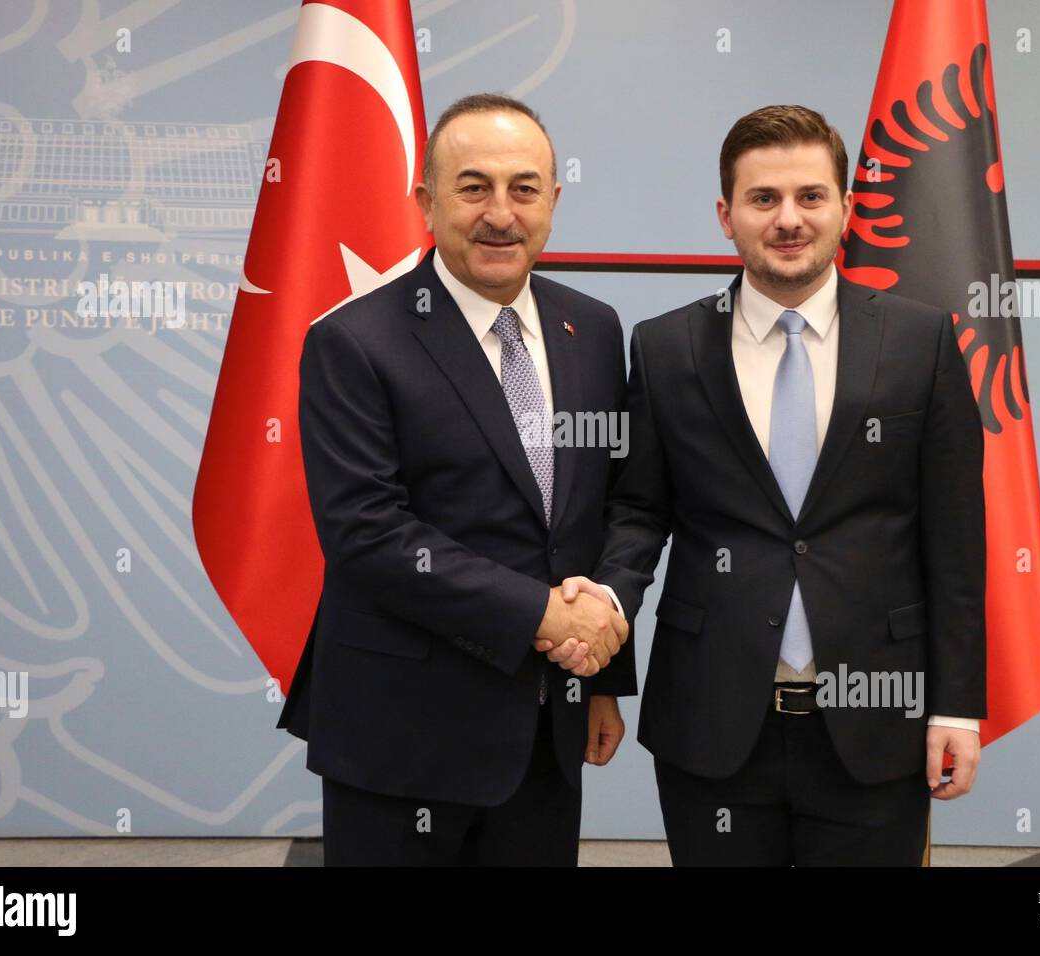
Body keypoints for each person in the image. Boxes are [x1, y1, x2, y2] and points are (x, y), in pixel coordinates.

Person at [553, 105, 986, 865]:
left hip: (875, 717)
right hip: (711, 719)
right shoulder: (665, 348)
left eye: (811, 197)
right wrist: (605, 633)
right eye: (763, 199)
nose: (789, 219)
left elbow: (954, 543)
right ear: (727, 215)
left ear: (845, 208)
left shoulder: (923, 341)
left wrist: (957, 706)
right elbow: (636, 512)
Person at [277, 94, 636, 866]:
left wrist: (600, 673)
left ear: (553, 201)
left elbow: (605, 508)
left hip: (547, 730)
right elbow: (367, 534)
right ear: (426, 201)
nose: (500, 213)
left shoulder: (595, 328)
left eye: (524, 188)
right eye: (473, 187)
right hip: (401, 737)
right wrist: (543, 612)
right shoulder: (353, 342)